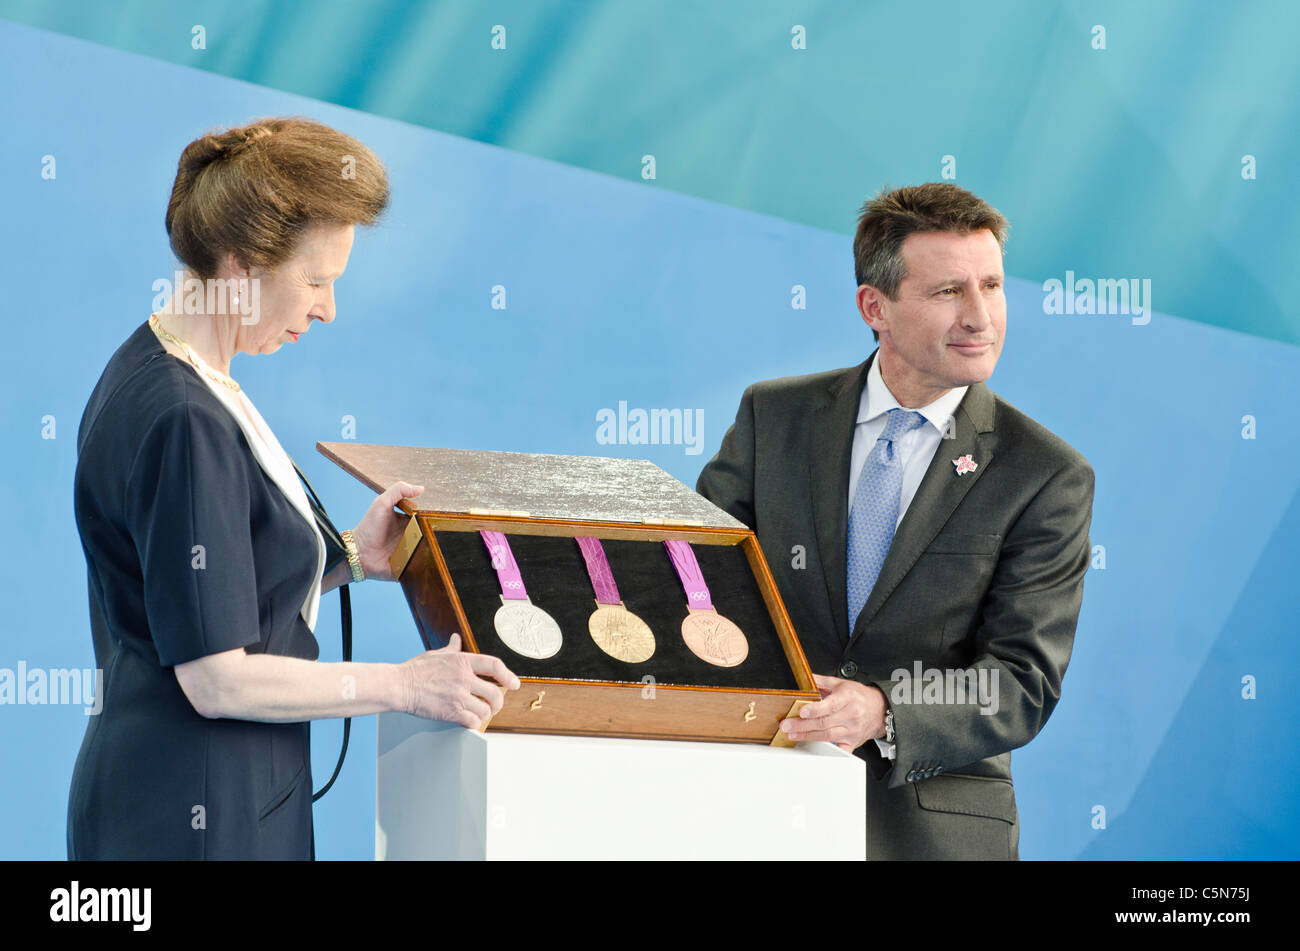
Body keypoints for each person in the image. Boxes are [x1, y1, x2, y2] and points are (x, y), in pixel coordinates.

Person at [69, 117, 520, 860]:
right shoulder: (185, 418)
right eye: (316, 280)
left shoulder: (162, 367)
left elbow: (201, 575)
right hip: (194, 814)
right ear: (242, 267)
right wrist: (407, 685)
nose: (326, 308)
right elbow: (217, 680)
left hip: (190, 795)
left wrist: (345, 554)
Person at [695, 183, 1094, 860]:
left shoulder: (1045, 473)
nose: (980, 317)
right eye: (948, 292)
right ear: (874, 307)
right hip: (758, 801)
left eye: (992, 286)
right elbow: (699, 583)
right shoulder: (774, 418)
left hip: (932, 830)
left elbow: (1021, 679)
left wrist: (884, 709)